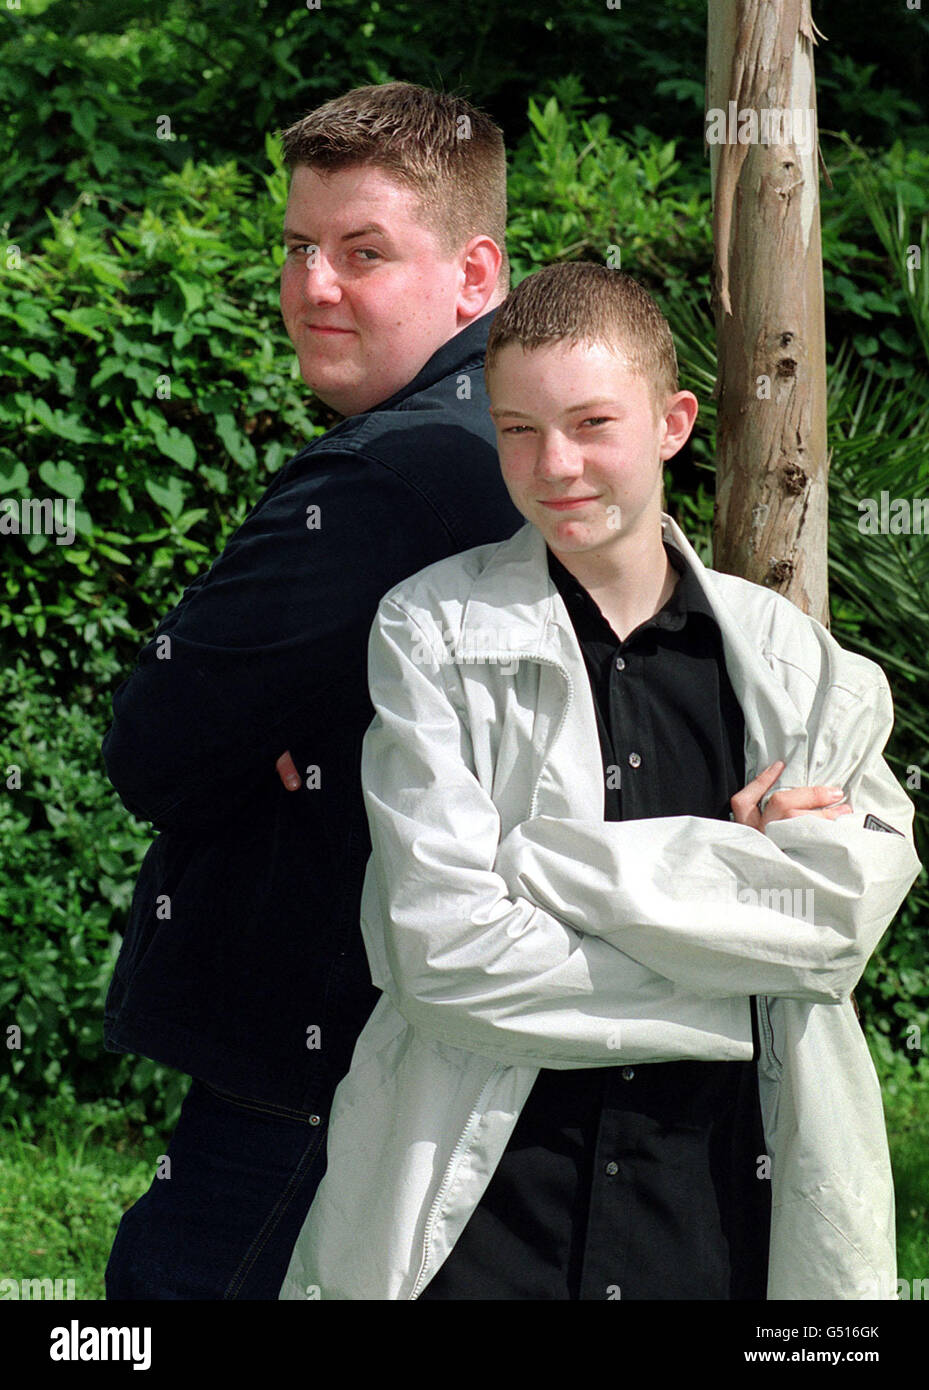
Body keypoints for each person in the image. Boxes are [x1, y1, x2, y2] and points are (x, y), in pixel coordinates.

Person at [278, 261, 922, 1301]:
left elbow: (839, 920)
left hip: (716, 1216)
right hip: (481, 1222)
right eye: (518, 428)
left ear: (671, 422)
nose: (554, 464)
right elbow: (443, 954)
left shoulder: (799, 668)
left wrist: (536, 869)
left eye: (590, 422)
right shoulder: (433, 630)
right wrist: (738, 938)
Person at [101, 82, 523, 1300]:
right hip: (417, 1053)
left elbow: (154, 743)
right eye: (297, 247)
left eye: (363, 252)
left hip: (301, 1075)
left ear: (473, 272)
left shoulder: (387, 476)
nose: (313, 285)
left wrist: (267, 740)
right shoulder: (513, 435)